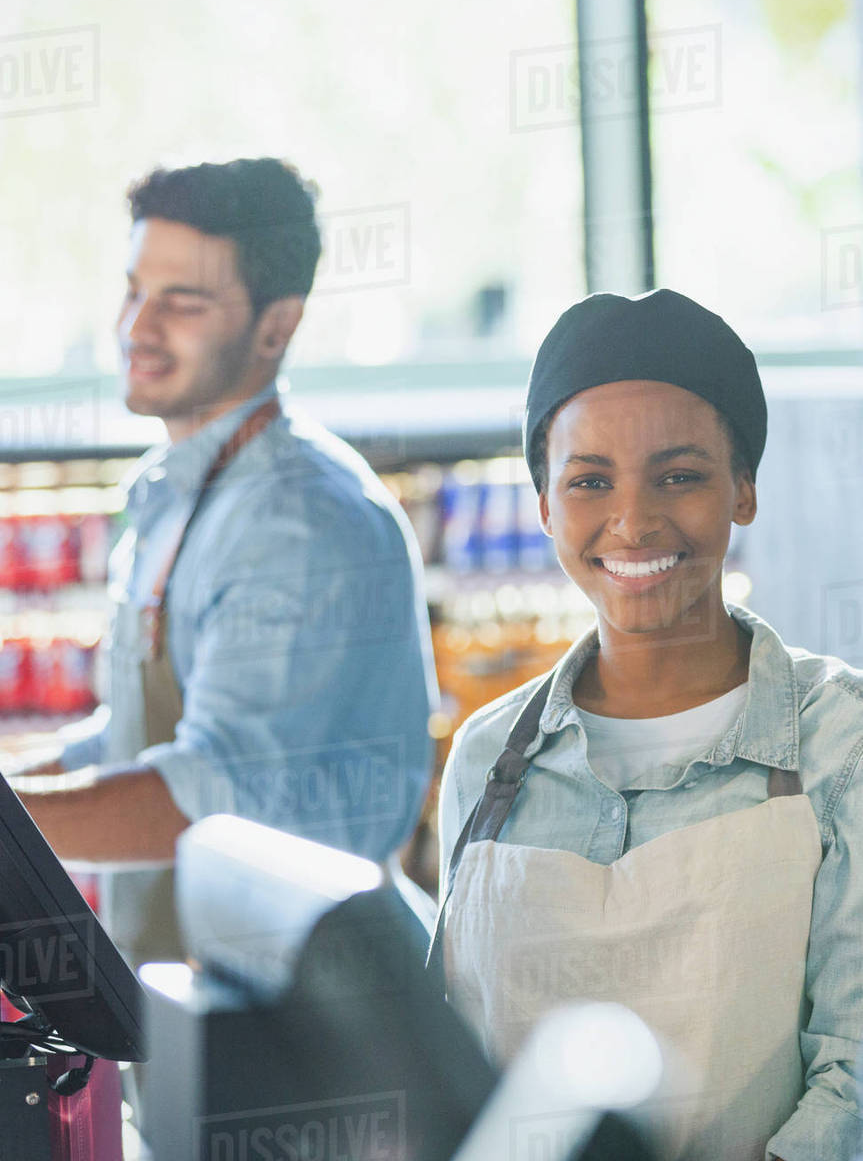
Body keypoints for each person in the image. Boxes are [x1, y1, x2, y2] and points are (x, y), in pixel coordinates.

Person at [433, 289, 863, 1161]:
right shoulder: (486, 759)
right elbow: (456, 1061)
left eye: (679, 476)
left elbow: (854, 1075)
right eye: (589, 481)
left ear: (741, 489)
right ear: (545, 505)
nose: (632, 520)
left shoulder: (839, 741)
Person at [10, 157, 437, 969]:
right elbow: (137, 741)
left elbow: (210, 794)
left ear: (277, 326)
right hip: (197, 1001)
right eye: (134, 289)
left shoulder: (296, 521)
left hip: (307, 1028)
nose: (137, 326)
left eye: (182, 302)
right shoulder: (186, 489)